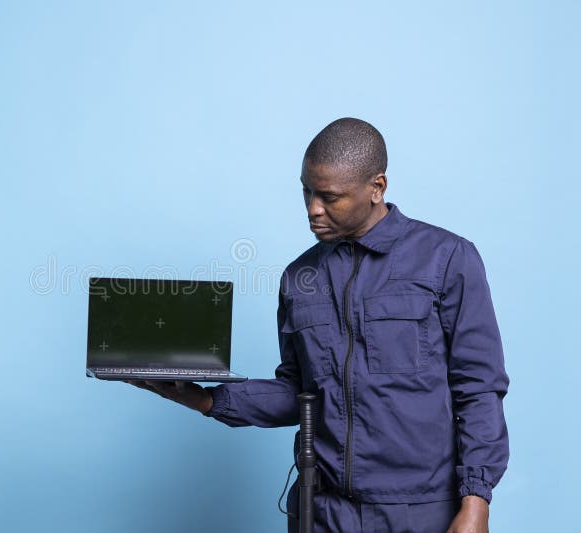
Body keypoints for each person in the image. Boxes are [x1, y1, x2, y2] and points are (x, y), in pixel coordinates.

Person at [127, 118, 509, 533]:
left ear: (377, 187)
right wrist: (205, 400)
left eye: (329, 196)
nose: (313, 208)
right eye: (307, 191)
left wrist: (476, 502)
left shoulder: (447, 258)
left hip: (421, 510)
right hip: (322, 511)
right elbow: (298, 393)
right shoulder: (298, 278)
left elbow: (478, 389)